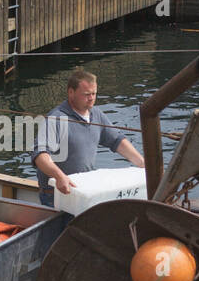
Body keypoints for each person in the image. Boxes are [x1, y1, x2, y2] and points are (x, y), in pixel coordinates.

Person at [29, 69, 145, 208]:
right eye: (86, 94)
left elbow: (117, 141)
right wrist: (59, 177)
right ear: (71, 92)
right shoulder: (56, 118)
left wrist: (142, 163)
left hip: (83, 193)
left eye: (94, 94)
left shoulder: (96, 114)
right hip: (56, 195)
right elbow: (40, 156)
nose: (91, 98)